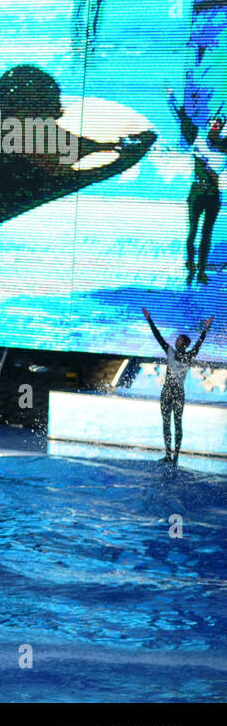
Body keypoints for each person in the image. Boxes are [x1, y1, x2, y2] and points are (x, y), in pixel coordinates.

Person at [167, 90, 225, 285]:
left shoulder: (224, 146)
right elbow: (183, 120)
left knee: (206, 234)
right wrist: (172, 98)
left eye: (220, 125)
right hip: (197, 193)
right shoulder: (199, 139)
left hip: (213, 195)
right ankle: (191, 265)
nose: (216, 127)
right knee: (192, 231)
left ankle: (201, 270)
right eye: (214, 123)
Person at [142, 306, 213, 464]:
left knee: (177, 424)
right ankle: (168, 454)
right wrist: (149, 320)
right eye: (177, 340)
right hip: (166, 391)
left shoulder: (190, 355)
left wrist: (206, 328)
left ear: (186, 345)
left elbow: (199, 343)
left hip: (178, 393)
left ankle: (176, 456)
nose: (177, 342)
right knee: (166, 423)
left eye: (181, 341)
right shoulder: (170, 352)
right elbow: (158, 336)